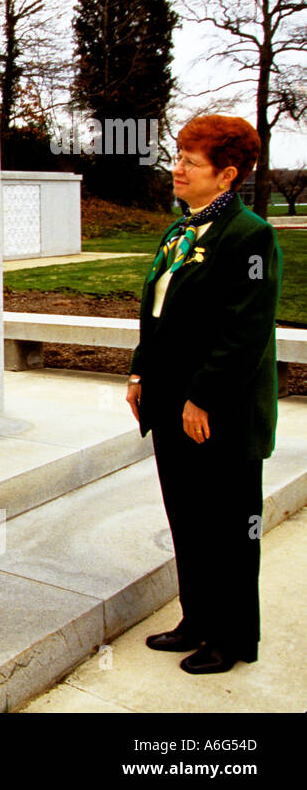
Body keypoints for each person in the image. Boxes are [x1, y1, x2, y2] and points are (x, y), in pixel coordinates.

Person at [125, 115, 283, 674]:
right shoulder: (181, 230)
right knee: (187, 518)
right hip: (171, 404)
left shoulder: (250, 236)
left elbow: (246, 332)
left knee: (230, 528)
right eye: (180, 156)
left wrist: (203, 398)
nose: (179, 167)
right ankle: (195, 620)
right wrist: (141, 372)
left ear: (227, 174)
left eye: (192, 161)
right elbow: (158, 312)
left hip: (221, 413)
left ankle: (231, 638)